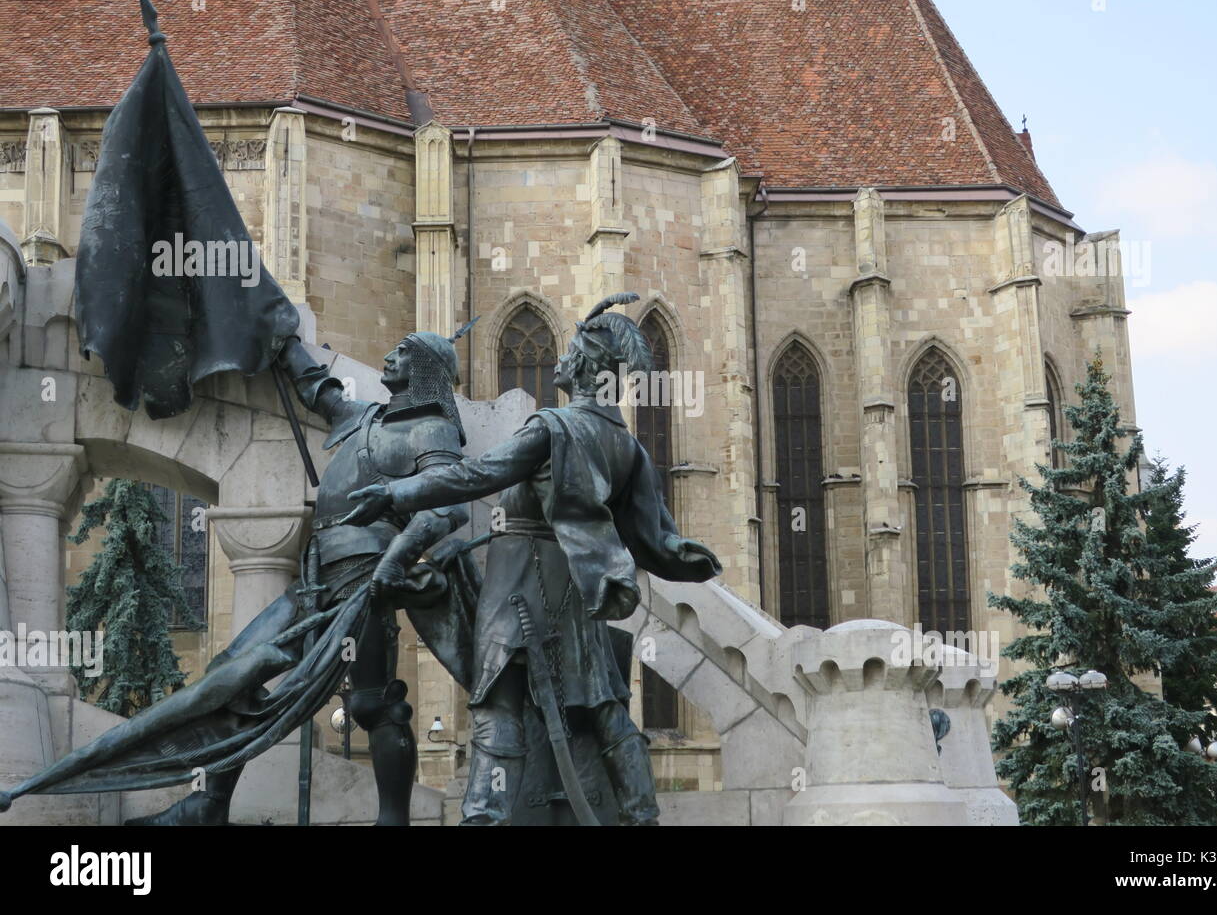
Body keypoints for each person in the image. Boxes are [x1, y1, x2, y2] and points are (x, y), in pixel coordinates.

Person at [0, 326, 476, 825]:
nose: (388, 354)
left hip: (368, 578)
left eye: (402, 352)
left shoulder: (432, 429)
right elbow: (319, 390)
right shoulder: (364, 418)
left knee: (374, 703)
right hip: (315, 579)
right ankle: (208, 803)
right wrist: (284, 340)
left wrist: (397, 559)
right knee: (234, 671)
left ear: (424, 368)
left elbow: (447, 504)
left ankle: (393, 820)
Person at [344, 293, 721, 825]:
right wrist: (691, 558)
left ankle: (483, 817)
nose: (560, 360)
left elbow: (477, 476)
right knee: (606, 711)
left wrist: (395, 494)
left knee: (498, 708)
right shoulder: (626, 445)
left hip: (520, 582)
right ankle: (643, 816)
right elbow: (656, 536)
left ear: (588, 365)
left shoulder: (553, 426)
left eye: (570, 352)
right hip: (577, 588)